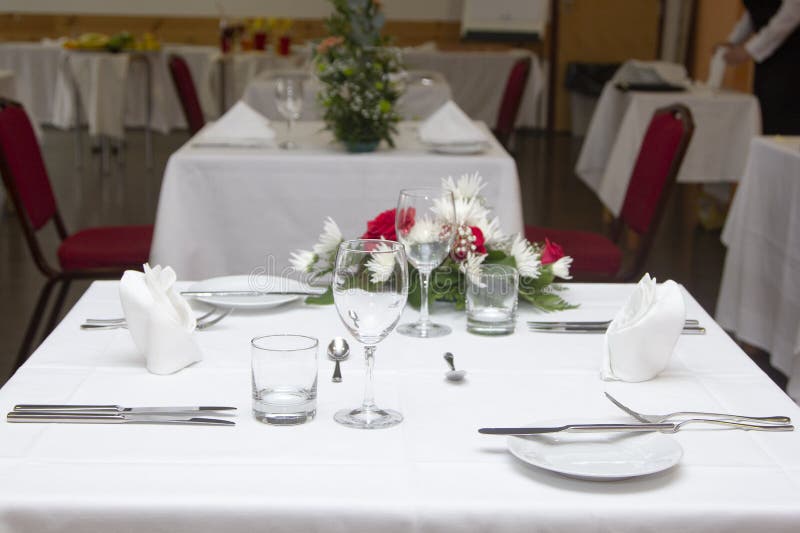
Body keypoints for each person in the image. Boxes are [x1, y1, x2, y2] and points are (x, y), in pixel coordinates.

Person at [721, 0, 800, 134]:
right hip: (767, 62)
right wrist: (733, 41)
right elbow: (753, 12)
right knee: (765, 112)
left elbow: (791, 15)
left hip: (792, 58)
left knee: (786, 119)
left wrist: (749, 50)